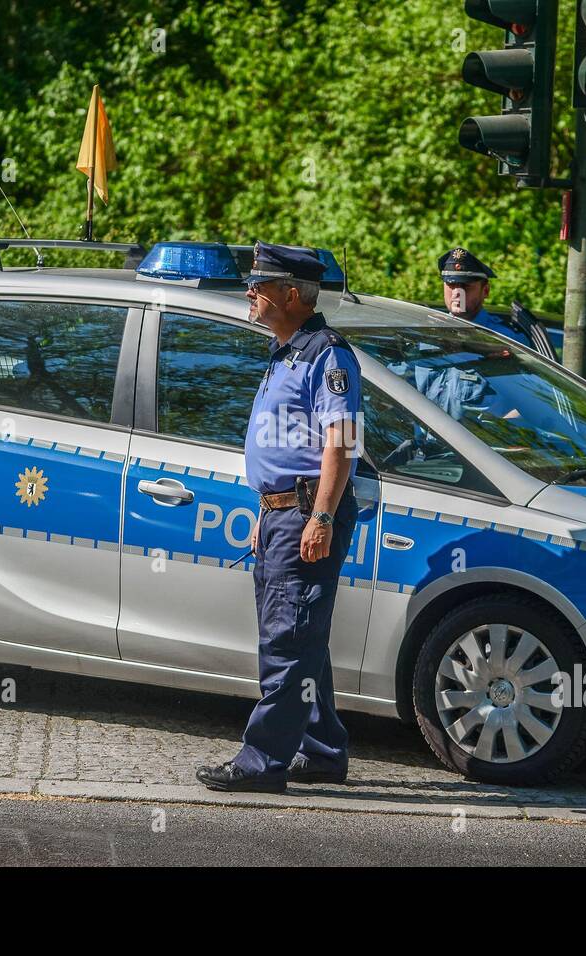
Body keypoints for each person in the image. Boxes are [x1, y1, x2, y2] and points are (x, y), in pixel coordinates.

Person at [196, 242, 363, 793]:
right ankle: (322, 750)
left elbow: (341, 444)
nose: (250, 294)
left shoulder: (328, 356)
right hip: (279, 514)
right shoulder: (287, 349)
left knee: (287, 640)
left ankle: (261, 762)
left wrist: (321, 518)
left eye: (259, 286)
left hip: (304, 512)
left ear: (292, 295)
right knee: (302, 637)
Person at [437, 246, 526, 343]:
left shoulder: (508, 338)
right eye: (451, 285)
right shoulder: (430, 330)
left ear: (485, 291)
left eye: (466, 286)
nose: (457, 292)